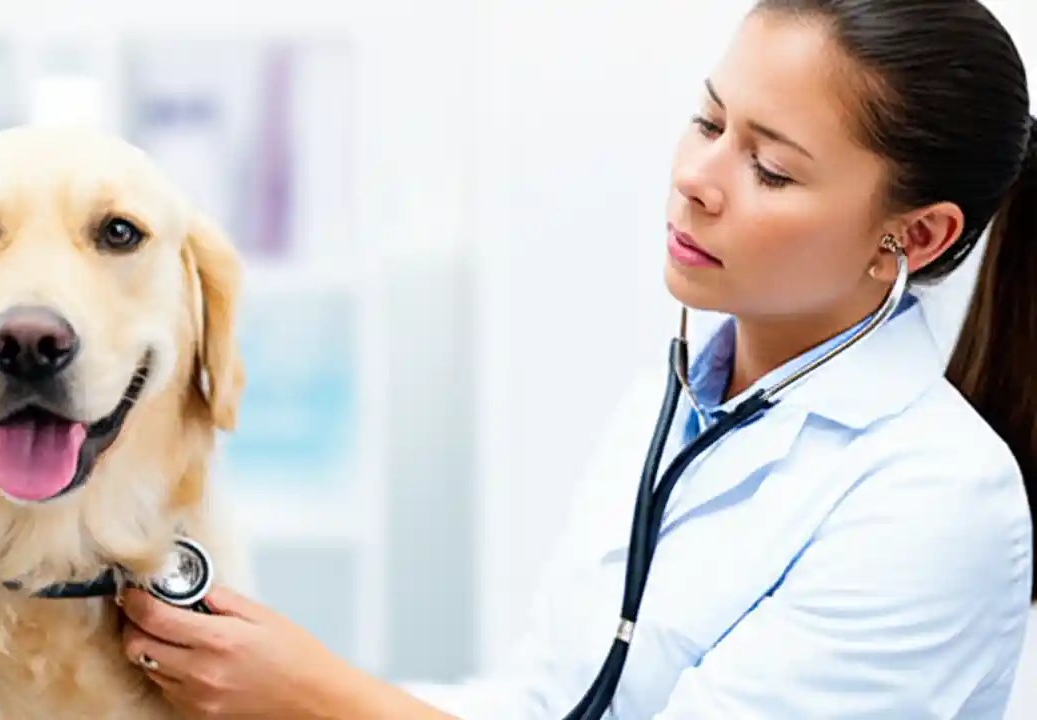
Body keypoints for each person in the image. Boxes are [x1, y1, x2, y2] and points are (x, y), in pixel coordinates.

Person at [119, 0, 1037, 717]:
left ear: (915, 234)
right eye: (708, 121)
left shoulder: (939, 500)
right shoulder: (671, 405)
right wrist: (263, 678)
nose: (696, 179)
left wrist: (316, 697)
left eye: (771, 169)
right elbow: (549, 704)